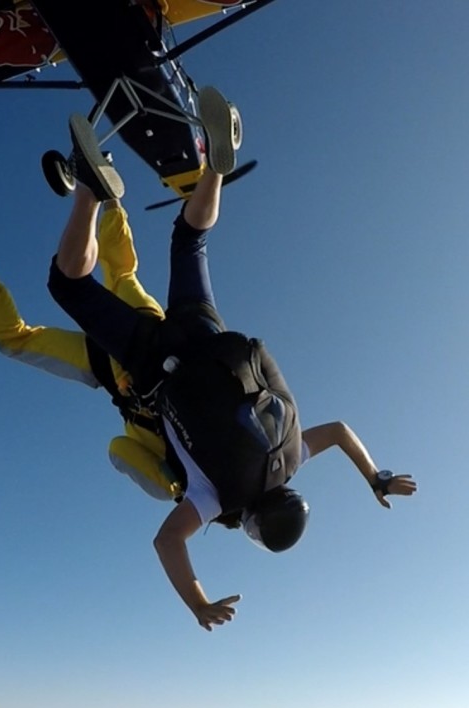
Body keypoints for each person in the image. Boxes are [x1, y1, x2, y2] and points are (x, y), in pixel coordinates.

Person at [40, 87, 417, 631]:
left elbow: (338, 430)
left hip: (213, 338)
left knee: (189, 241)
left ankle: (213, 169)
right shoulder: (216, 498)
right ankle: (90, 195)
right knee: (68, 286)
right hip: (159, 364)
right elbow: (167, 542)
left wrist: (375, 476)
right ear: (254, 526)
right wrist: (198, 602)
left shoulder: (291, 457)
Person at [0, 201, 182, 501]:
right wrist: (178, 491)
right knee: (15, 339)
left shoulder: (233, 442)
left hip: (144, 341)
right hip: (115, 365)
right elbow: (119, 450)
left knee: (121, 274)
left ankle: (107, 195)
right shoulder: (179, 485)